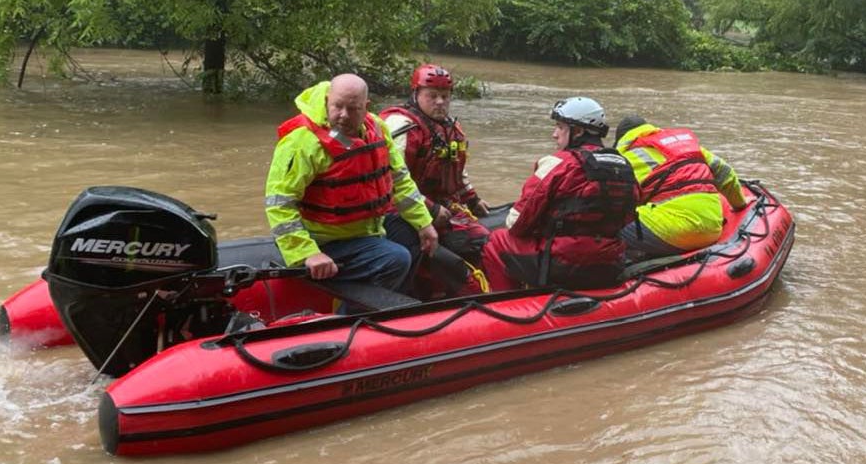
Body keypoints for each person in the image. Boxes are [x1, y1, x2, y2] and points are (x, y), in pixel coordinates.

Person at [264, 74, 438, 306]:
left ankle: (394, 301)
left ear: (366, 107)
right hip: (322, 239)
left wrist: (424, 224)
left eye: (353, 109)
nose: (343, 115)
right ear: (327, 100)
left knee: (412, 234)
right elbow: (280, 203)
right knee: (396, 259)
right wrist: (307, 253)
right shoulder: (302, 142)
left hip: (362, 230)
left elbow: (400, 180)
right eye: (337, 106)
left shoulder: (377, 128)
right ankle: (351, 318)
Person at [480, 97, 638, 291]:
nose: (554, 134)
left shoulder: (557, 163)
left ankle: (503, 303)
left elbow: (516, 223)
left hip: (561, 265)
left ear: (578, 131)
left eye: (560, 127)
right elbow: (629, 218)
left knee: (496, 240)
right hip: (611, 261)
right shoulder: (623, 165)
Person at [379, 64, 491, 297]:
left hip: (439, 204)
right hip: (398, 209)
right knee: (425, 248)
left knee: (480, 240)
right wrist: (430, 210)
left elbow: (457, 171)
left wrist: (472, 198)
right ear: (416, 95)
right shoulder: (402, 127)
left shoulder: (451, 128)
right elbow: (391, 181)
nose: (440, 102)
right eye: (432, 96)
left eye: (445, 96)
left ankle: (448, 291)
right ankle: (421, 293)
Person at [613, 116, 748, 261]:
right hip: (712, 228)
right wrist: (740, 204)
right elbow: (726, 174)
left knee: (603, 225)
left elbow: (613, 200)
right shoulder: (688, 147)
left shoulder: (626, 159)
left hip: (674, 231)